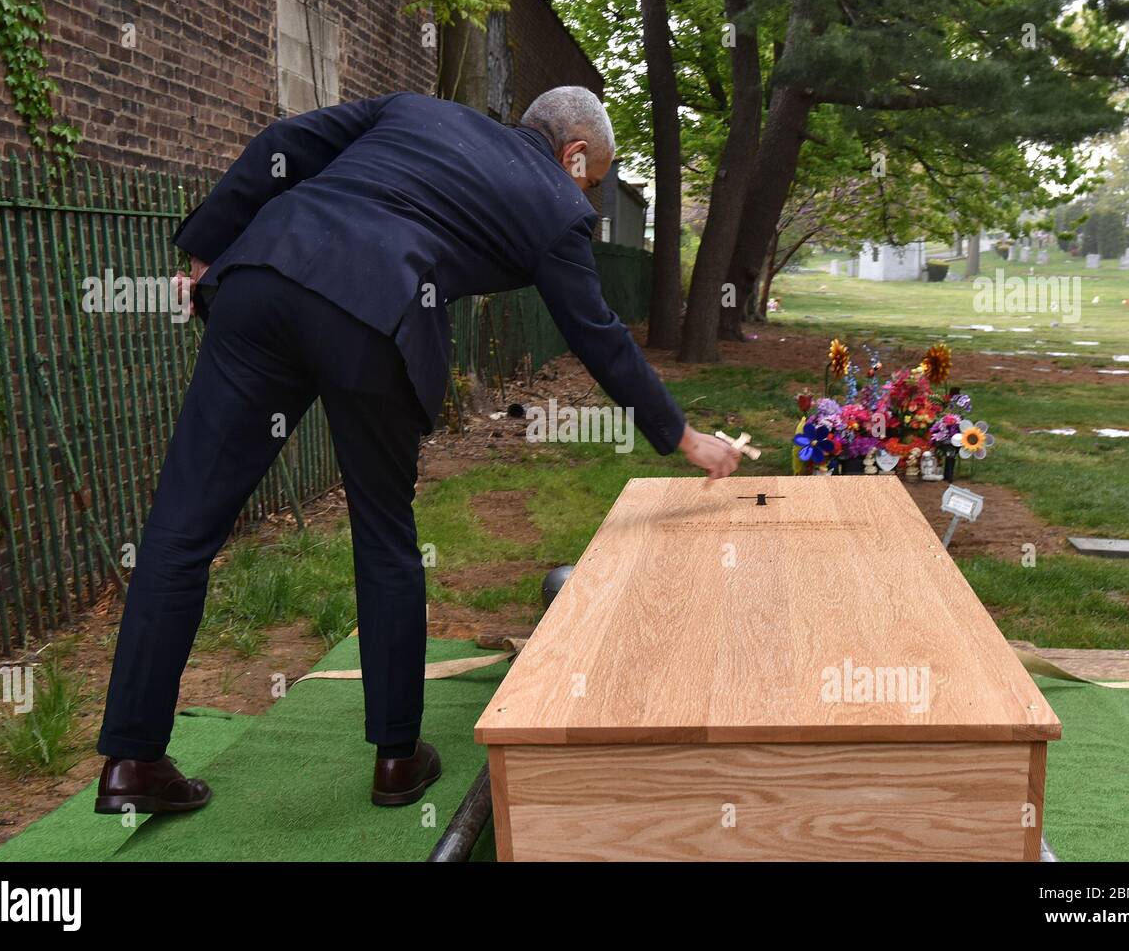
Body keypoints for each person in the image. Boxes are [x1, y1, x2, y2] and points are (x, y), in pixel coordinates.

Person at [94, 87, 740, 814]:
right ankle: (397, 759)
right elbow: (598, 333)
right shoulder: (557, 207)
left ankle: (132, 762)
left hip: (261, 279)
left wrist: (206, 254)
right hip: (375, 319)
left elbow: (282, 143)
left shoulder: (414, 109)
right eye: (591, 183)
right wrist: (682, 435)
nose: (585, 200)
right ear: (574, 154)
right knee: (384, 534)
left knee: (181, 529)